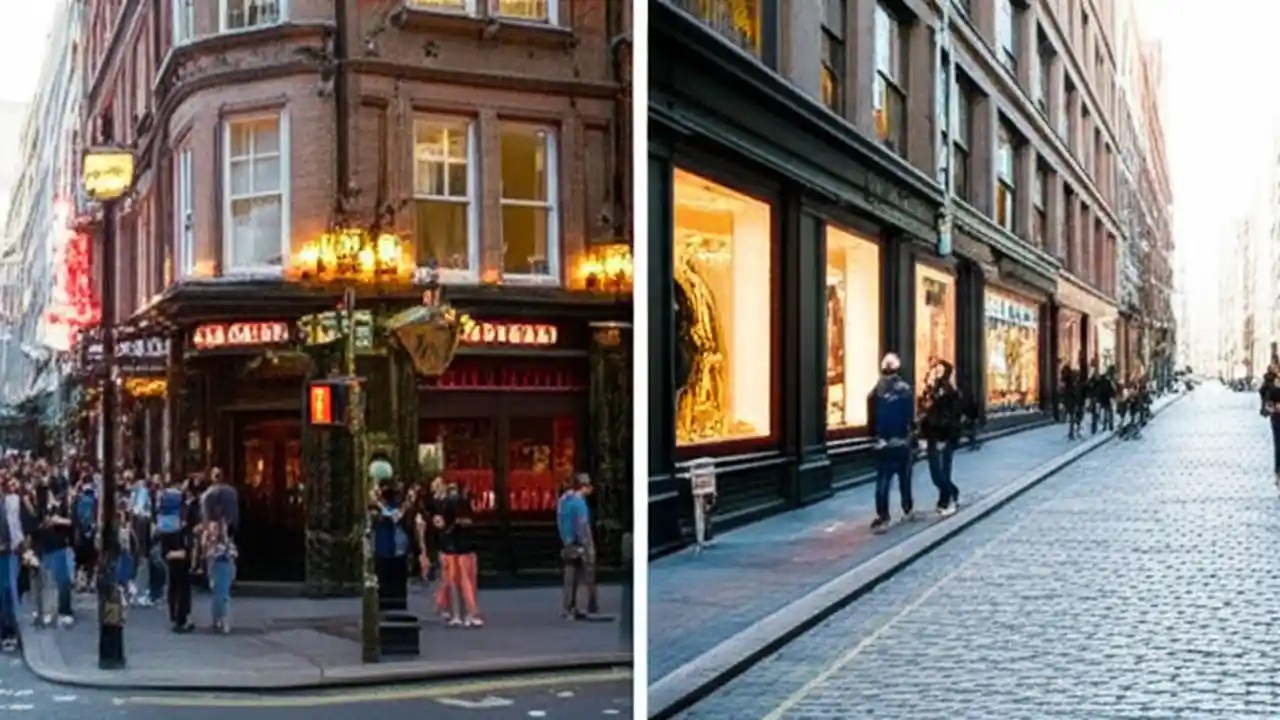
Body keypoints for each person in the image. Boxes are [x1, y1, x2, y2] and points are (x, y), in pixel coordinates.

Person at [866, 352, 915, 534]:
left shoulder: (876, 391)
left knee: (883, 480)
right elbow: (909, 417)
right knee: (905, 478)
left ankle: (883, 515)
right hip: (901, 441)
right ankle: (907, 508)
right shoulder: (905, 389)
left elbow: (871, 419)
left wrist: (875, 437)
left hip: (883, 443)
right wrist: (911, 435)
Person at [919, 359, 961, 517]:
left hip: (944, 437)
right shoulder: (930, 392)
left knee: (942, 470)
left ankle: (946, 499)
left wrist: (945, 437)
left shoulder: (949, 393)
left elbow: (951, 417)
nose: (932, 373)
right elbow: (925, 416)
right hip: (932, 436)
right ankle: (952, 492)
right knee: (936, 473)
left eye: (936, 370)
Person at [438, 479, 482, 628]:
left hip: (453, 549)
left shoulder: (446, 505)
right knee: (465, 582)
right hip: (463, 549)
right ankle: (468, 613)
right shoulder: (463, 507)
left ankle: (458, 614)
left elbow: (443, 526)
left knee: (455, 583)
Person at [200, 468, 238, 634]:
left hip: (214, 547)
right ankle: (222, 619)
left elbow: (205, 519)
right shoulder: (231, 493)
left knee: (216, 586)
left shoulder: (207, 495)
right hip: (225, 545)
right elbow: (234, 519)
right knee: (223, 587)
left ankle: (218, 619)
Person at [557, 472, 597, 619]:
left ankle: (569, 607)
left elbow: (560, 520)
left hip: (567, 541)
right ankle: (589, 604)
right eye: (588, 486)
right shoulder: (580, 503)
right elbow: (582, 525)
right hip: (579, 542)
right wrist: (586, 545)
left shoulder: (564, 500)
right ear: (583, 487)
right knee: (585, 573)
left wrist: (565, 538)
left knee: (570, 575)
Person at [156, 477, 194, 632]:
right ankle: (181, 618)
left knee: (173, 584)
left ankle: (174, 616)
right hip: (181, 552)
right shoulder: (180, 519)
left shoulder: (164, 519)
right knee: (182, 586)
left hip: (170, 552)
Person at [0, 476, 23, 651]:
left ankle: (8, 632)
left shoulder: (9, 503)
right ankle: (6, 632)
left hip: (6, 554)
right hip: (5, 553)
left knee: (7, 593)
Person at [1261, 361, 1280, 488]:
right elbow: (1268, 403)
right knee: (1279, 446)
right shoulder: (1272, 384)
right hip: (1277, 419)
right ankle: (1278, 473)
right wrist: (1274, 407)